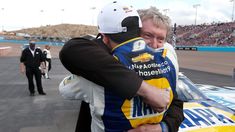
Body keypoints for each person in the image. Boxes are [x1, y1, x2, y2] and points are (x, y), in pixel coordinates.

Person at [59, 2, 183, 131]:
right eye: (147, 35)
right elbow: (73, 50)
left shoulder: (168, 61)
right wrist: (145, 89)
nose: (154, 44)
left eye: (160, 39)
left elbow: (176, 103)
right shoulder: (101, 61)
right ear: (134, 33)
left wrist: (162, 128)